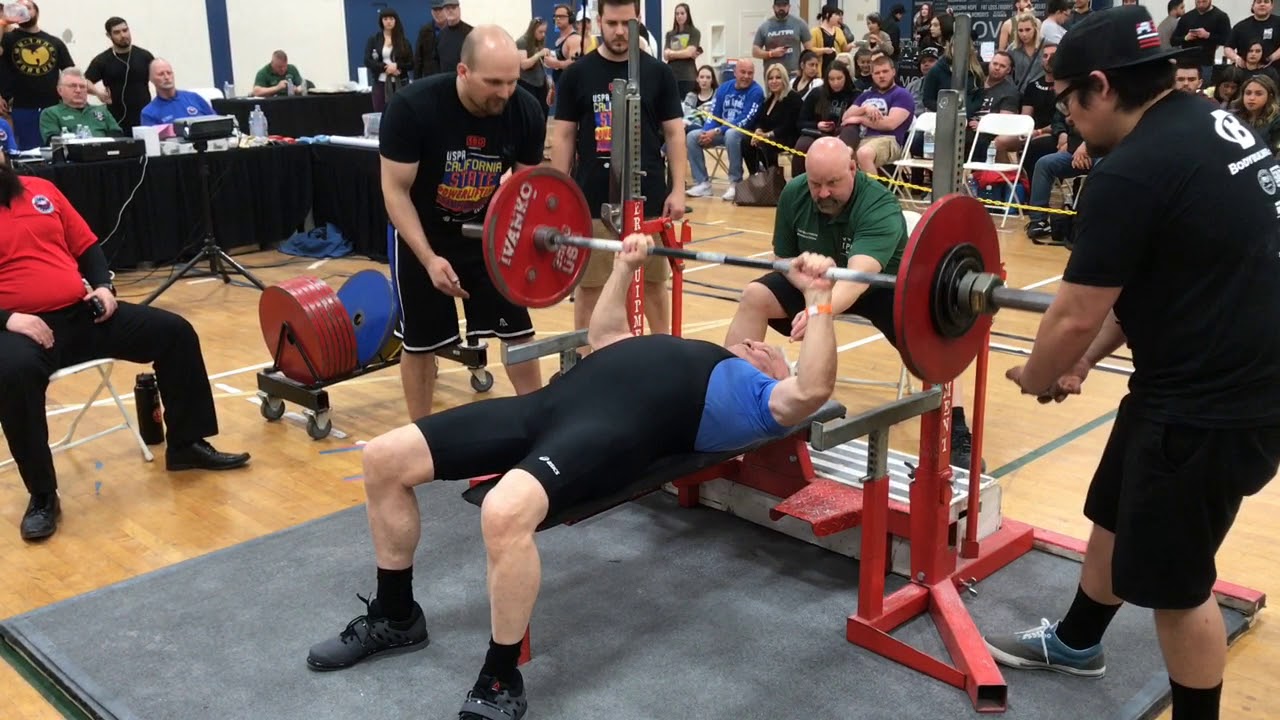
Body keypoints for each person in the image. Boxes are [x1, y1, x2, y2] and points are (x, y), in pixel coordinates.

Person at [305, 230, 840, 720]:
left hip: (604, 437)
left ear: (772, 375)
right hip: (542, 409)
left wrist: (818, 304)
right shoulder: (704, 350)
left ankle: (499, 678)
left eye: (773, 353)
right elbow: (605, 331)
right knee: (383, 457)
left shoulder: (751, 400)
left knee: (504, 510)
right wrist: (627, 267)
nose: (760, 344)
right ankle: (396, 616)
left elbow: (811, 390)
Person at [987, 9, 1280, 720]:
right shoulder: (1208, 123)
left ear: (1099, 86)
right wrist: (1081, 363)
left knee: (1178, 588)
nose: (1067, 119)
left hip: (1211, 405)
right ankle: (1081, 641)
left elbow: (1075, 310)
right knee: (1116, 509)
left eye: (1064, 101)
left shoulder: (1132, 171)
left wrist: (1038, 370)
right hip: (1212, 373)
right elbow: (1158, 282)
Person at [0, 145, 250, 541]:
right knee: (13, 374)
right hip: (17, 328)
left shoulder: (41, 190)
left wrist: (103, 285)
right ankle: (43, 494)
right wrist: (10, 318)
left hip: (81, 312)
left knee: (175, 333)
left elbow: (86, 246)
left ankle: (185, 444)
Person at [724, 136, 983, 471]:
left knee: (935, 337)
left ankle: (956, 427)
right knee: (754, 296)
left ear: (852, 169)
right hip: (813, 283)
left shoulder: (879, 204)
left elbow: (857, 278)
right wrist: (807, 288)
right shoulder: (794, 192)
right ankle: (731, 399)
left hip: (880, 286)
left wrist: (819, 310)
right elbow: (783, 257)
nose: (823, 193)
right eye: (816, 184)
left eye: (833, 183)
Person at [378, 26, 546, 421]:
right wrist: (428, 258)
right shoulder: (411, 108)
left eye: (511, 81)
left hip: (487, 234)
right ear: (463, 71)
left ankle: (540, 423)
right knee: (420, 343)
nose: (504, 93)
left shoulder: (525, 111)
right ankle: (422, 435)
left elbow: (527, 190)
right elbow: (395, 193)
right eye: (493, 82)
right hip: (422, 233)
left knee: (518, 330)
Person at [550, 0, 687, 337]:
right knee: (592, 288)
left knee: (654, 285)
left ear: (638, 20)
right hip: (593, 200)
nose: (619, 31)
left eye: (627, 23)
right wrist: (557, 195)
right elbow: (564, 136)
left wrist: (679, 188)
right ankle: (587, 364)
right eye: (611, 23)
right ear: (599, 21)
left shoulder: (659, 73)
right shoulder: (577, 75)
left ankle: (663, 359)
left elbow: (674, 132)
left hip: (649, 200)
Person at [0, 0, 75, 149]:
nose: (23, 11)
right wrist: (3, 21)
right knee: (25, 151)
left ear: (37, 12)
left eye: (28, 8)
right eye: (19, 8)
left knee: (55, 149)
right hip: (20, 106)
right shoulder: (7, 39)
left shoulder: (54, 42)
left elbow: (70, 72)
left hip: (52, 107)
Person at [84, 16, 155, 132]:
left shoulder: (144, 56)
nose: (123, 35)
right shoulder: (102, 60)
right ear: (109, 35)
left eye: (125, 30)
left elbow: (157, 78)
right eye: (117, 32)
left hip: (144, 118)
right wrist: (98, 93)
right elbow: (84, 81)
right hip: (116, 120)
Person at [38, 68, 122, 143]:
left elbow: (118, 136)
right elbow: (53, 142)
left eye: (82, 87)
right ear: (60, 90)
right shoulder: (51, 113)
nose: (78, 90)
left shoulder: (101, 110)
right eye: (72, 86)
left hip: (104, 156)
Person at [138, 59, 215, 127]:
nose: (167, 77)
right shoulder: (149, 113)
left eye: (169, 73)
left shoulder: (194, 98)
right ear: (151, 79)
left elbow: (216, 122)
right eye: (161, 74)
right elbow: (152, 140)